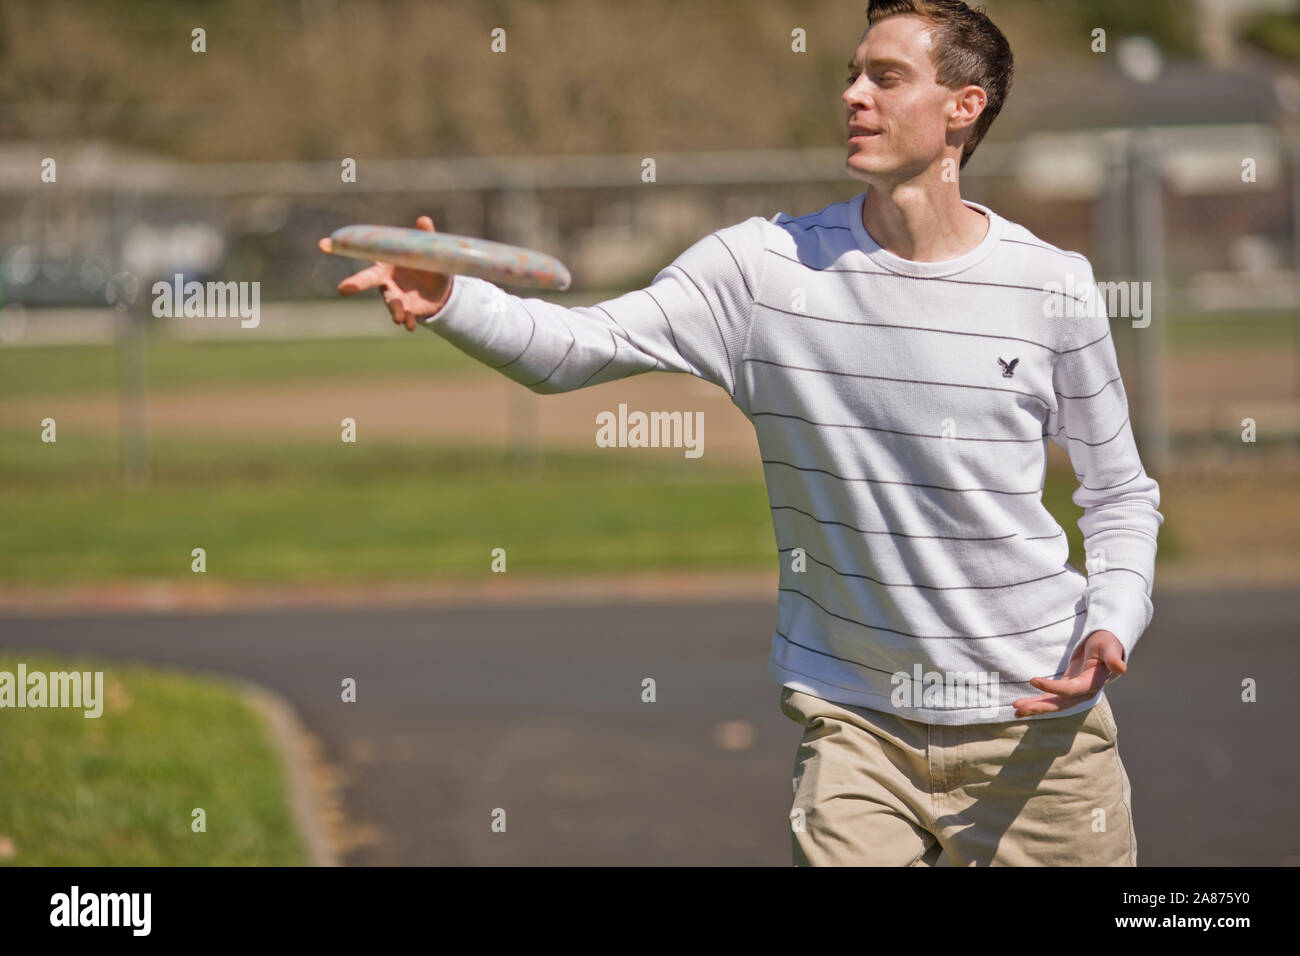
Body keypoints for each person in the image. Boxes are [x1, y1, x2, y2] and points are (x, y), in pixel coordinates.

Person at [319, 0, 1161, 866]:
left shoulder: (1050, 285)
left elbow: (1120, 491)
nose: (853, 95)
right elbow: (577, 349)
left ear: (963, 107)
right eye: (851, 73)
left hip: (1035, 729)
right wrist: (454, 298)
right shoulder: (759, 271)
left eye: (887, 76)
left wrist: (1115, 617)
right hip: (857, 728)